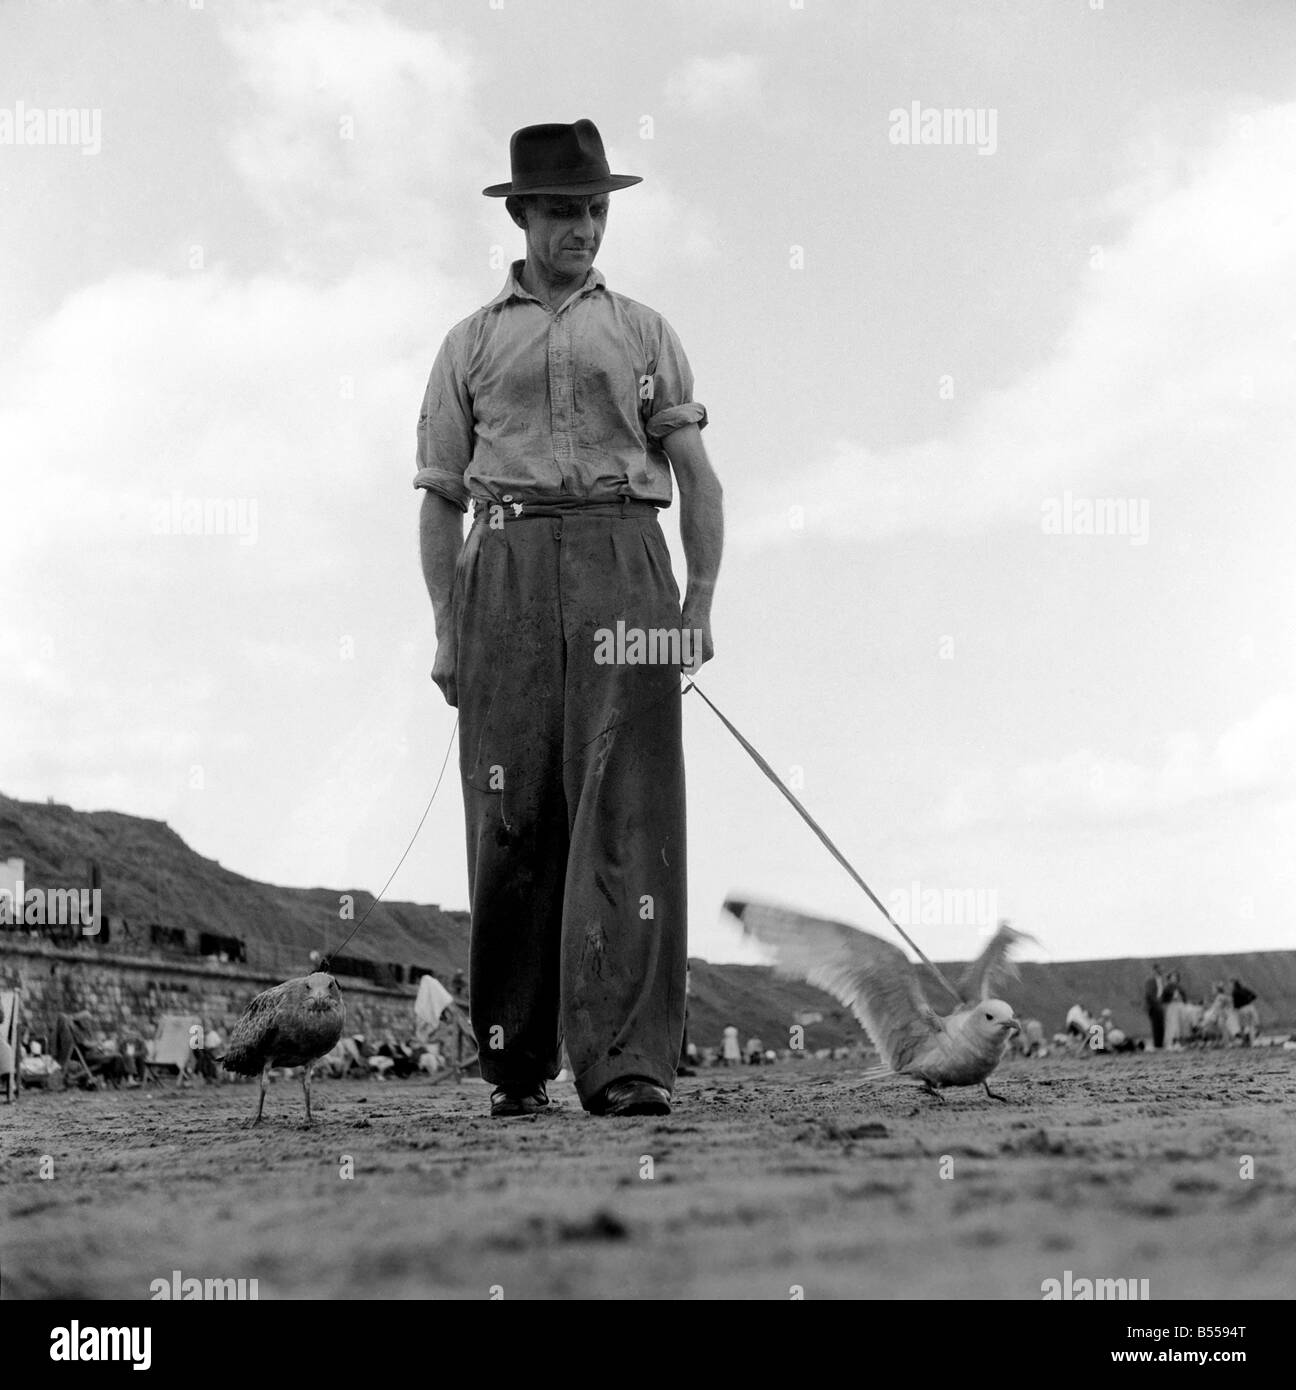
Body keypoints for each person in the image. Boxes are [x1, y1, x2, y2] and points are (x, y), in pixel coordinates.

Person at [416, 119, 722, 1120]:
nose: (583, 227)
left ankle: (626, 1062)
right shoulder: (469, 343)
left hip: (625, 562)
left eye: (595, 209)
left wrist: (698, 603)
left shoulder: (644, 333)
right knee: (511, 818)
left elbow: (697, 476)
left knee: (629, 811)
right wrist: (448, 629)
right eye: (562, 210)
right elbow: (440, 499)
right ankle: (515, 1065)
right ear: (521, 214)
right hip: (502, 568)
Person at [1161, 971, 1188, 1049]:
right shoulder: (1167, 988)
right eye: (1172, 978)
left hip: (1180, 1007)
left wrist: (1182, 999)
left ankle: (1180, 1042)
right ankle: (1171, 1042)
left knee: (1180, 1024)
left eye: (1175, 978)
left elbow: (1184, 997)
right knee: (1173, 1024)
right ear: (1169, 979)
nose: (1174, 979)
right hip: (1172, 1007)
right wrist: (1172, 998)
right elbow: (1163, 999)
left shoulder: (1180, 987)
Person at [1144, 963, 1166, 1049]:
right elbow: (1149, 994)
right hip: (1153, 1006)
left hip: (1160, 1005)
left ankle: (1160, 1043)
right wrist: (1157, 1002)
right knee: (1156, 1025)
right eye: (1159, 969)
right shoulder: (1150, 980)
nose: (1161, 970)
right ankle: (1157, 1044)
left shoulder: (1162, 981)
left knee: (1161, 1025)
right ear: (1155, 970)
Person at [1231, 977, 1259, 1045]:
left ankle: (1244, 1041)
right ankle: (1252, 1041)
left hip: (1242, 1010)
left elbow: (1235, 1004)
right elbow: (1254, 996)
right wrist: (1248, 1000)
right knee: (1251, 1025)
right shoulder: (1244, 989)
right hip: (1250, 1007)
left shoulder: (1234, 992)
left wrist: (1235, 1010)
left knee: (1242, 1027)